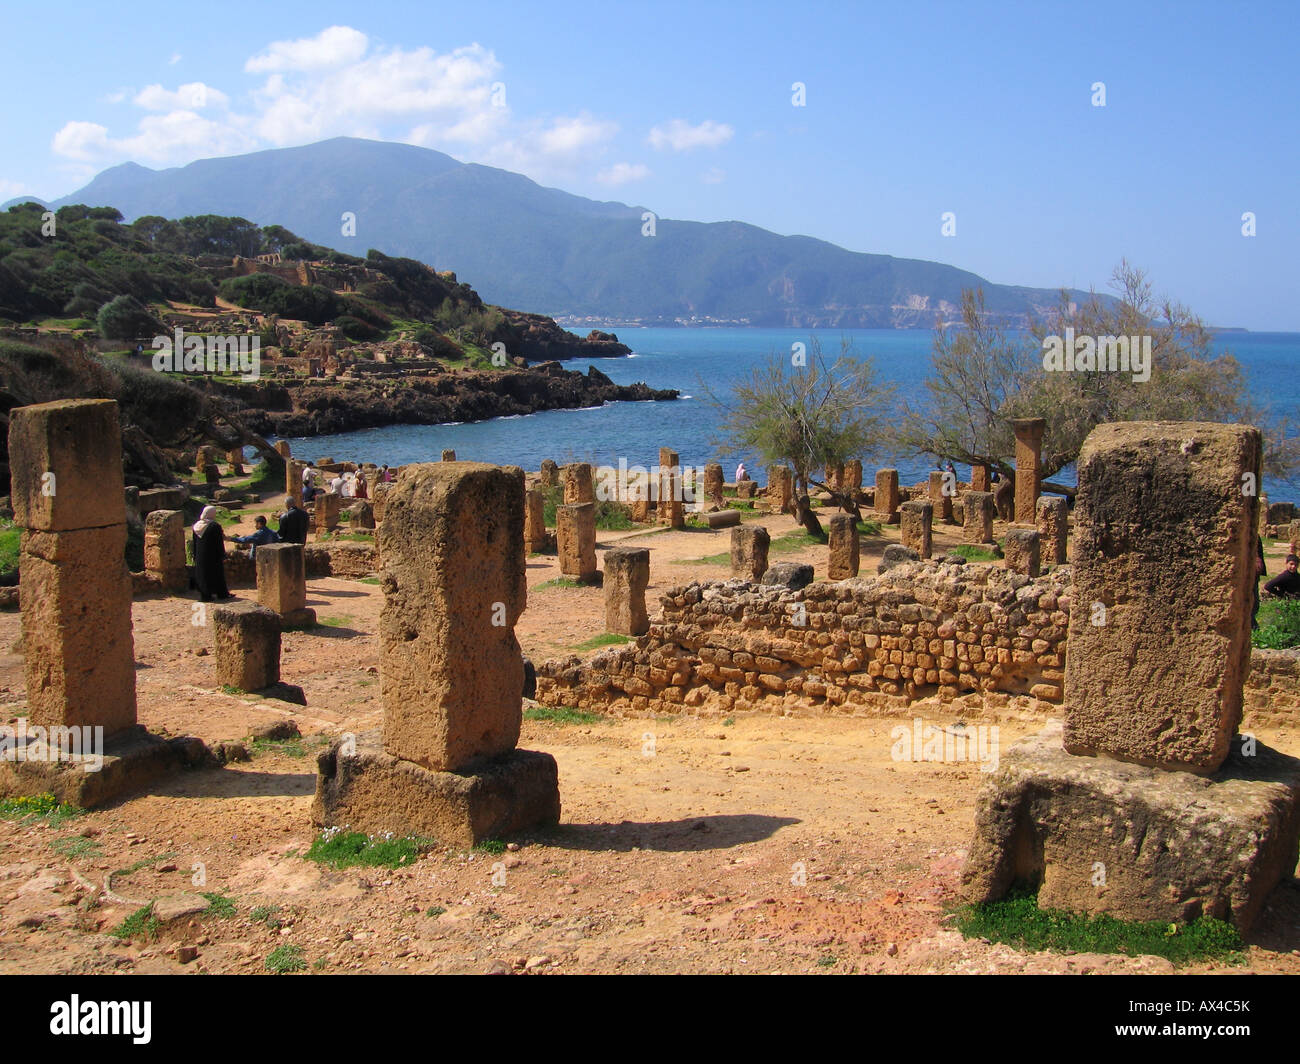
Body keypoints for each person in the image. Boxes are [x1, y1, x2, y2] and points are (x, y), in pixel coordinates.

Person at [191, 505, 230, 602]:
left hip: (200, 555)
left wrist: (195, 555)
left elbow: (194, 543)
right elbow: (219, 542)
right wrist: (222, 554)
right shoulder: (214, 526)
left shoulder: (196, 526)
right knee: (217, 574)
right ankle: (222, 594)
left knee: (203, 575)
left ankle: (205, 595)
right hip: (213, 555)